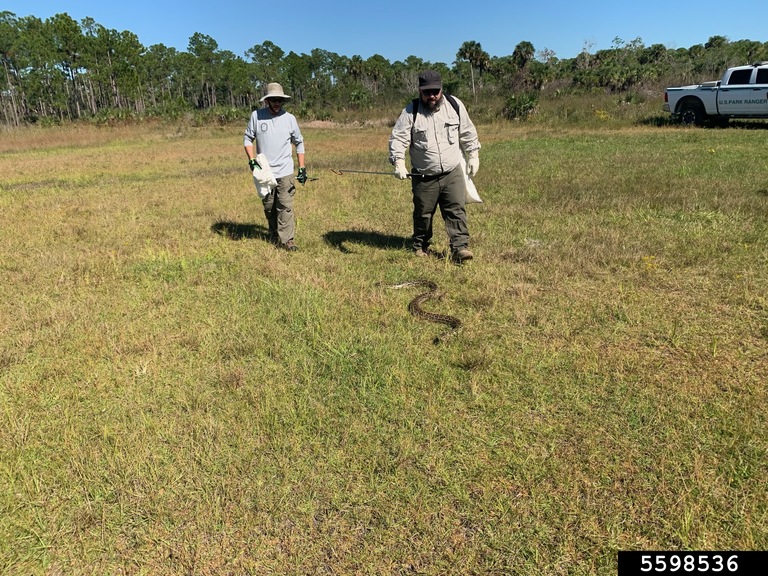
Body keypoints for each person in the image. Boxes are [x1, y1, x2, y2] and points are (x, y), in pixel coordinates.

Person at [389, 70, 481, 262]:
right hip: (424, 176)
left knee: (456, 209)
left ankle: (460, 248)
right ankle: (420, 245)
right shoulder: (410, 111)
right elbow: (398, 138)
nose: (432, 96)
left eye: (435, 91)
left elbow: (467, 131)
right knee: (423, 214)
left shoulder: (455, 105)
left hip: (452, 171)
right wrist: (398, 161)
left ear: (441, 89)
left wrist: (473, 155)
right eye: (427, 92)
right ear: (420, 91)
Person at [244, 82, 308, 251]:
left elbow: (299, 143)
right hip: (265, 172)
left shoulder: (290, 119)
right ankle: (274, 234)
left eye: (280, 100)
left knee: (285, 206)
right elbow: (247, 139)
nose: (277, 103)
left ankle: (288, 240)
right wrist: (251, 160)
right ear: (267, 101)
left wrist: (301, 168)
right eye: (273, 100)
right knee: (269, 206)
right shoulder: (256, 116)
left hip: (285, 171)